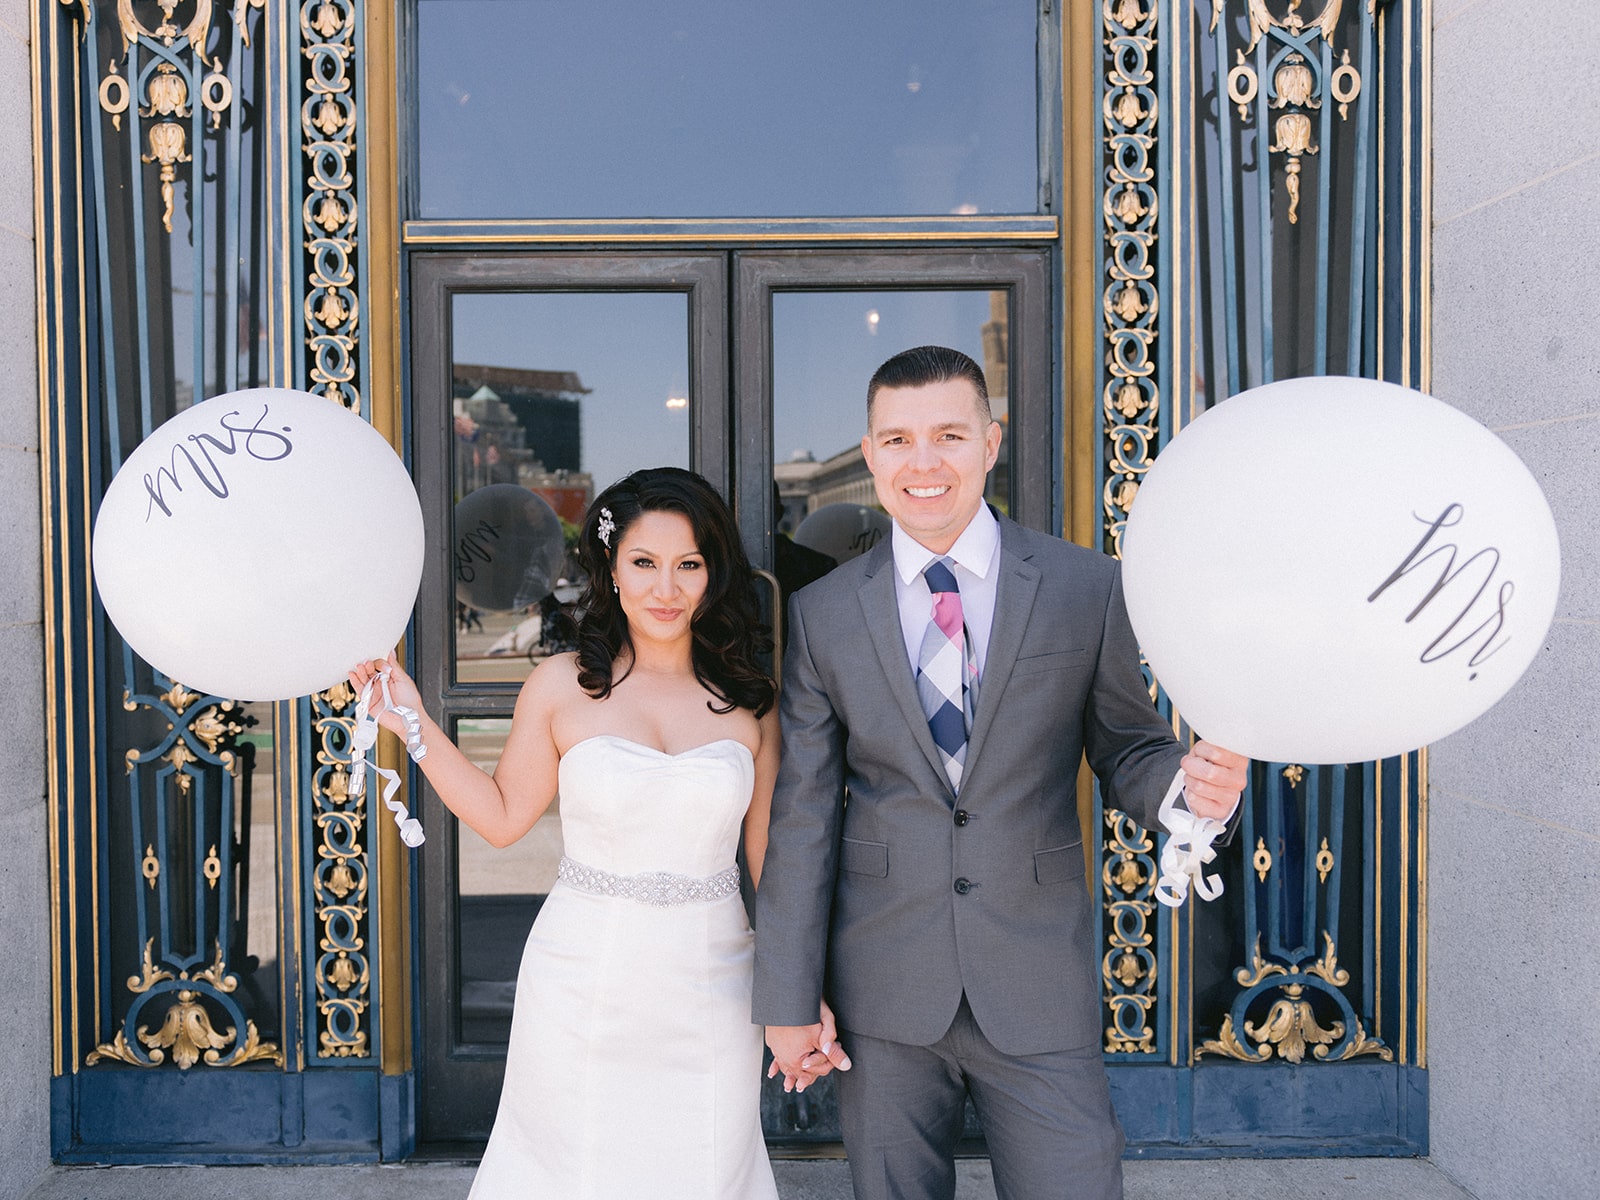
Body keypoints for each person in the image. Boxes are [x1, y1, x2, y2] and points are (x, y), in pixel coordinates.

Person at [753, 347, 1248, 1200]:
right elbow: (803, 818)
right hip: (883, 988)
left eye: (949, 435)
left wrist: (1187, 793)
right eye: (898, 440)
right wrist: (788, 998)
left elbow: (1128, 747)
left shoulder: (1085, 586)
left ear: (992, 442)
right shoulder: (822, 613)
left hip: (1035, 977)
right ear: (870, 454)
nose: (924, 462)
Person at [352, 467, 822, 1198]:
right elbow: (503, 817)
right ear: (612, 567)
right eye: (644, 562)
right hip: (583, 979)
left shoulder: (749, 702)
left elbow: (774, 866)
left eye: (688, 565)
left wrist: (800, 995)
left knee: (706, 1164)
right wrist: (411, 722)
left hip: (716, 983)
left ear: (713, 574)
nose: (666, 588)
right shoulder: (561, 683)